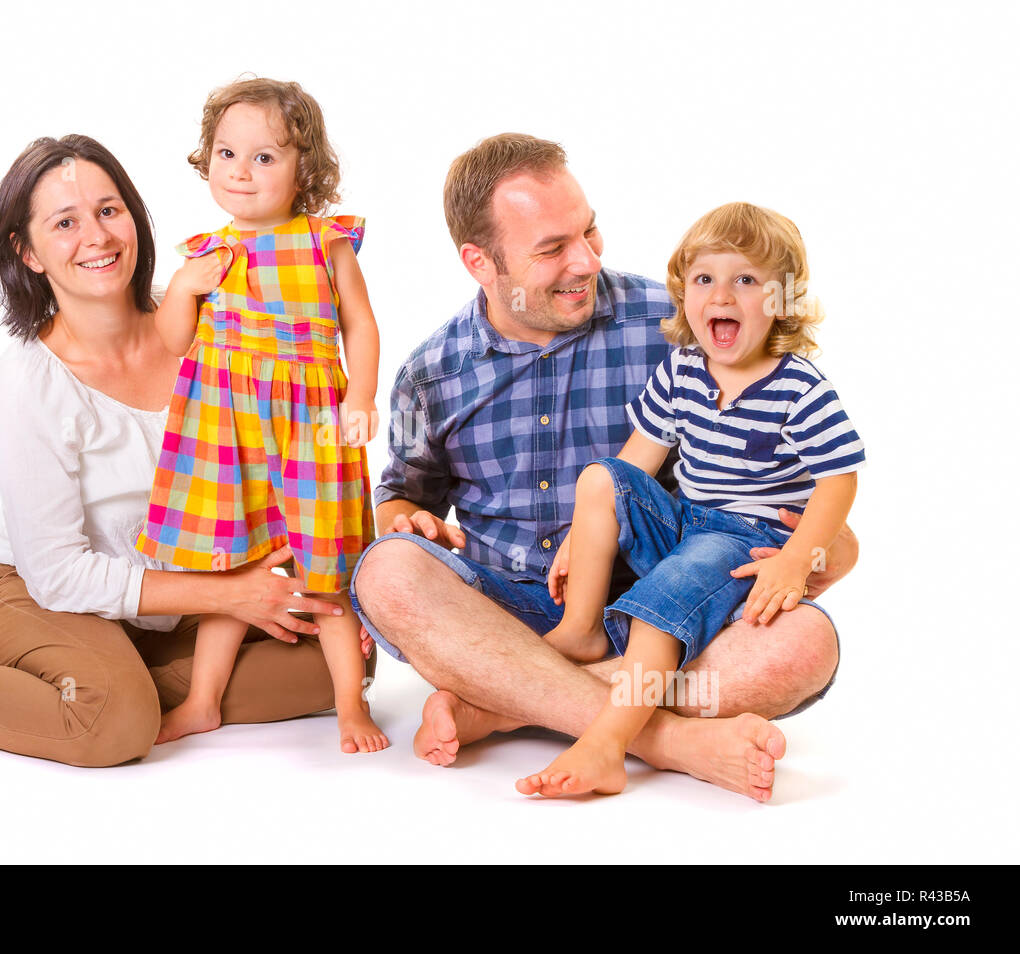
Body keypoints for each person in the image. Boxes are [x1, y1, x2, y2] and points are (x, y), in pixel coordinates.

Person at [348, 134, 857, 801]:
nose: (585, 260)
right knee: (384, 570)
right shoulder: (430, 372)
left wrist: (820, 550)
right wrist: (402, 518)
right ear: (480, 262)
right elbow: (398, 497)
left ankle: (506, 706)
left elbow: (788, 481)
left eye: (589, 232)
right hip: (499, 611)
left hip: (653, 613)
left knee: (802, 646)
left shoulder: (676, 327)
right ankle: (664, 740)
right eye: (552, 248)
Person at [0, 134, 360, 767]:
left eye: (109, 210)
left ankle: (106, 680)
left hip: (184, 587)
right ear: (27, 253)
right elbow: (59, 573)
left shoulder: (206, 314)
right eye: (65, 222)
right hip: (40, 591)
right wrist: (228, 598)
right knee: (113, 726)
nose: (98, 236)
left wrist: (315, 566)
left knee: (334, 662)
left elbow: (291, 435)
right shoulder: (28, 382)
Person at [525, 201, 864, 797]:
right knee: (601, 477)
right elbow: (639, 457)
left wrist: (795, 557)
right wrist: (586, 529)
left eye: (746, 281)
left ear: (782, 299)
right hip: (685, 520)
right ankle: (580, 629)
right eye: (705, 279)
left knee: (680, 579)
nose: (722, 297)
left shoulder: (797, 386)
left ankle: (608, 743)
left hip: (746, 536)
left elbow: (839, 480)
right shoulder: (683, 367)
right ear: (684, 294)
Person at [136, 78, 386, 754]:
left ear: (306, 168)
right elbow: (171, 341)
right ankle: (203, 702)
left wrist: (360, 398)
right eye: (225, 154)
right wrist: (185, 288)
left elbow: (360, 325)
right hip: (225, 431)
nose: (240, 171)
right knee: (228, 577)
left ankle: (349, 706)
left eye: (265, 157)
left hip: (312, 427)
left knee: (322, 569)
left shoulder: (323, 241)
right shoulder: (207, 254)